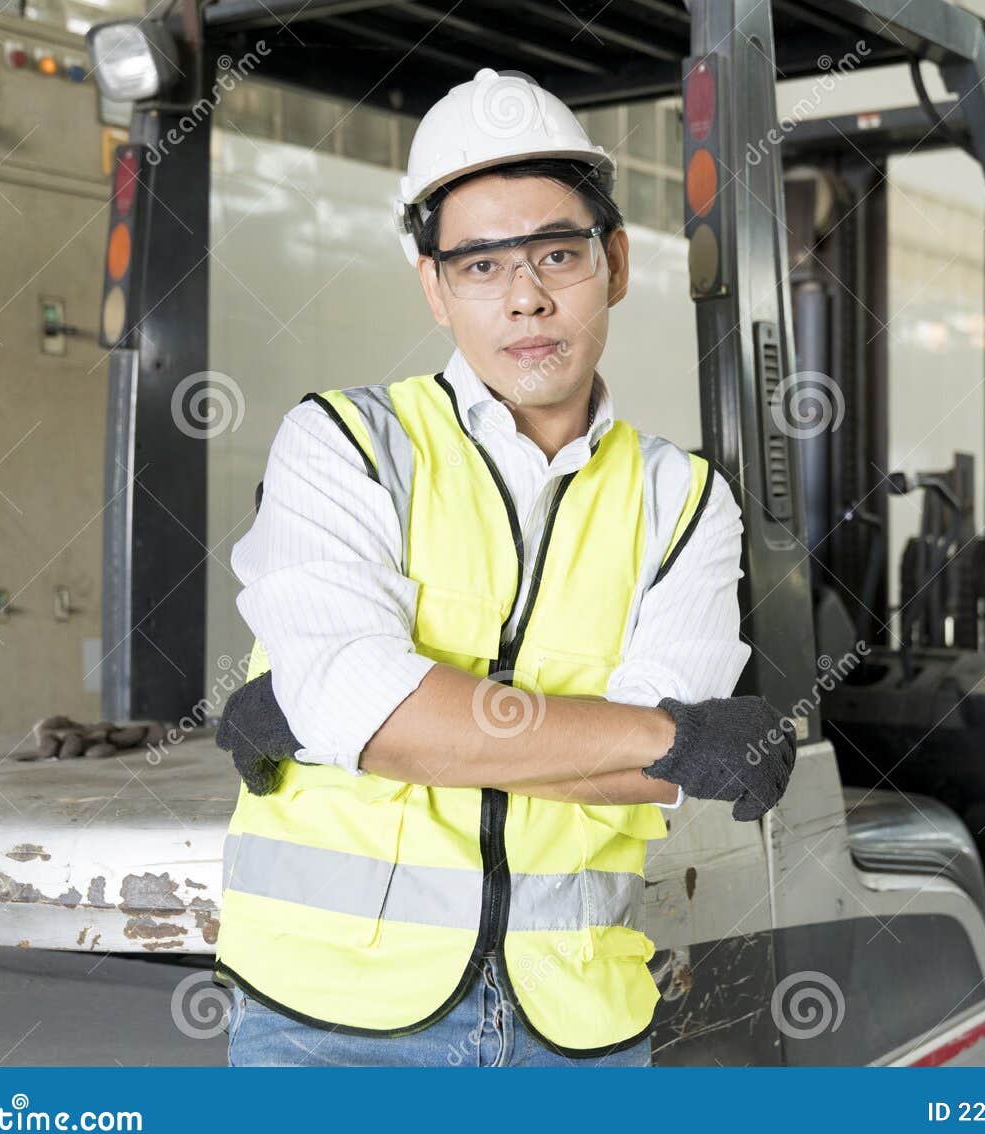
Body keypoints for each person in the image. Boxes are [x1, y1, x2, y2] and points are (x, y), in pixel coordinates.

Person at [212, 68, 796, 1068]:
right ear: (434, 288)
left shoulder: (685, 500)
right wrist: (672, 735)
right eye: (480, 267)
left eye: (556, 255)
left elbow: (644, 780)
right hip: (330, 1021)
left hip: (577, 1022)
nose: (525, 297)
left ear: (613, 262)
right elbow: (667, 745)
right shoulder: (347, 443)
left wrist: (351, 723)